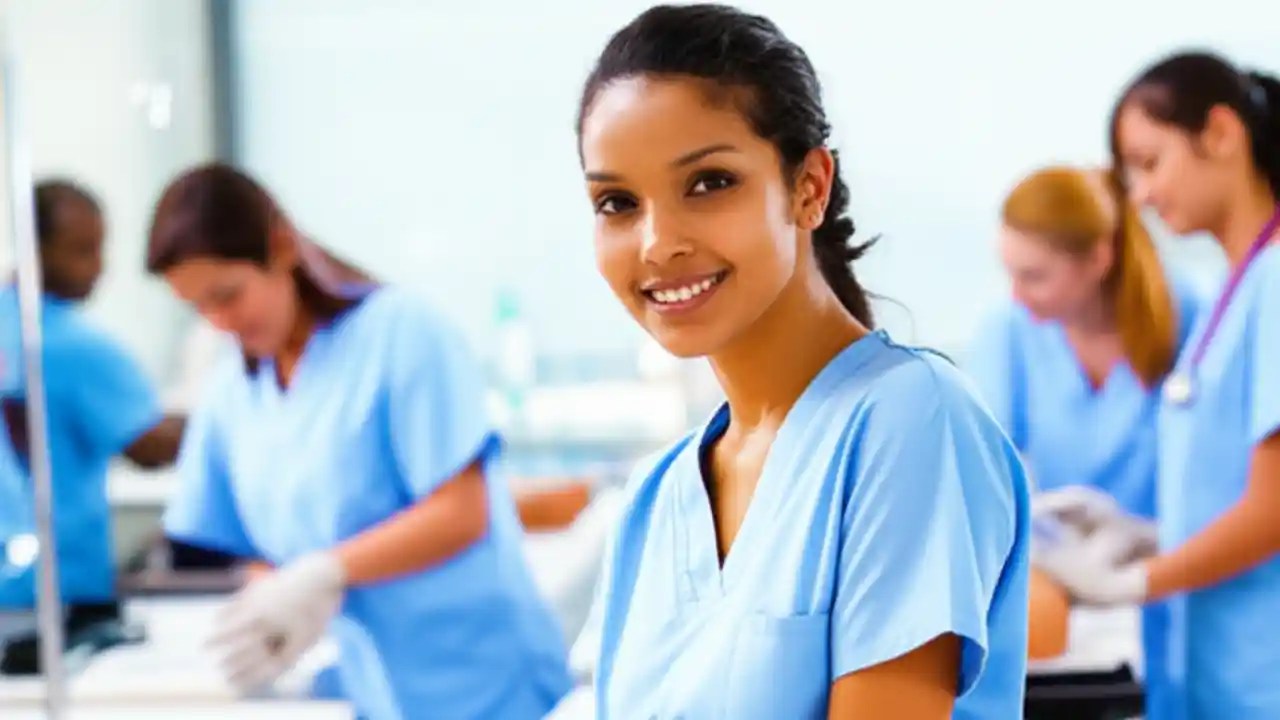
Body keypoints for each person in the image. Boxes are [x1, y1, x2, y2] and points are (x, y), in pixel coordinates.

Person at [573, 5, 1030, 719]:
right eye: (617, 202)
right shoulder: (655, 500)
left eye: (709, 182)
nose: (658, 244)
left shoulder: (909, 420)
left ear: (808, 187)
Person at [147, 164, 571, 720]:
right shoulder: (233, 390)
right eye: (198, 308)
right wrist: (277, 605)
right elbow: (237, 545)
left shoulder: (401, 332)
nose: (218, 322)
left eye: (227, 295)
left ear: (280, 249)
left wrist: (325, 572)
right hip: (369, 689)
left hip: (485, 683)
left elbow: (462, 512)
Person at [1036, 51, 1280, 718]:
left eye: (1151, 162)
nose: (1139, 195)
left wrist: (1134, 580)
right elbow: (1224, 485)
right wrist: (1142, 533)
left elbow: (1273, 510)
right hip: (1207, 677)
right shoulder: (1232, 293)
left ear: (1221, 134)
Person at [967, 165, 1201, 715]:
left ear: (1098, 259)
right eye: (1011, 275)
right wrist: (1041, 535)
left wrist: (1150, 543)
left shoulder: (1191, 316)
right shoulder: (1010, 330)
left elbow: (1232, 478)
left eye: (1035, 275)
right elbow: (985, 472)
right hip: (1068, 598)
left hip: (1185, 592)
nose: (1018, 295)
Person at [0, 180, 184, 614]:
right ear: (35, 249)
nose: (100, 267)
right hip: (57, 592)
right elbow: (150, 447)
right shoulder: (68, 343)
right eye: (83, 250)